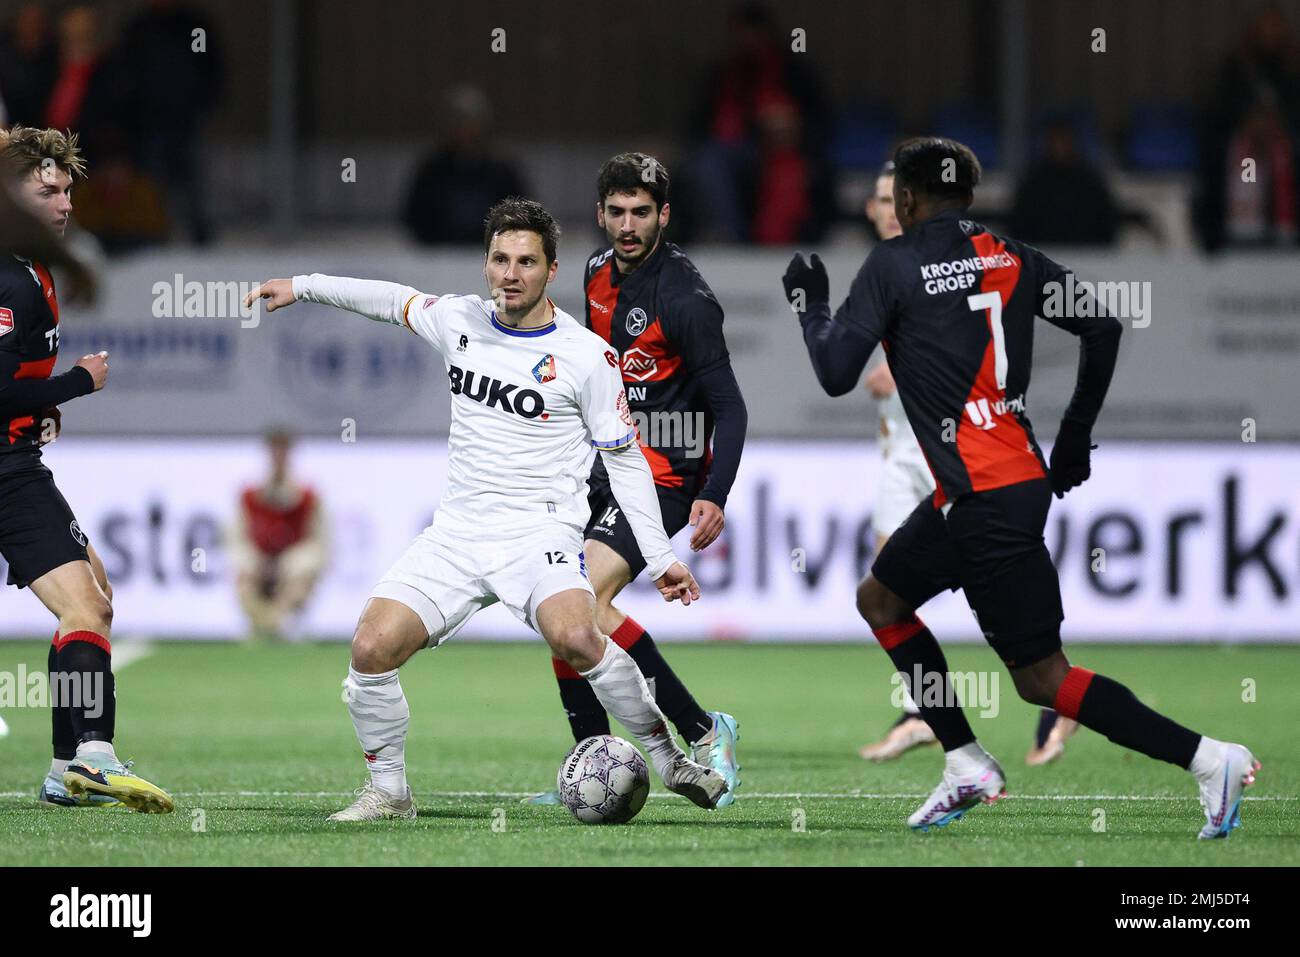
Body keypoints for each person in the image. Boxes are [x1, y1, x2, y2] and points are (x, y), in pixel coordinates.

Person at [782, 137, 1258, 839]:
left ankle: (1208, 757)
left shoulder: (893, 262)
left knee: (1043, 679)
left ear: (906, 200)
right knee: (880, 597)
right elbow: (1102, 327)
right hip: (996, 483)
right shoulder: (1011, 255)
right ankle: (965, 760)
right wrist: (1073, 434)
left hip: (986, 499)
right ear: (969, 197)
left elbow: (833, 370)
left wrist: (809, 305)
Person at [245, 198, 729, 821]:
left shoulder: (587, 358)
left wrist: (660, 557)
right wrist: (301, 287)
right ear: (485, 265)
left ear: (551, 270)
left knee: (579, 635)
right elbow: (389, 299)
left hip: (541, 534)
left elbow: (628, 461)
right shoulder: (459, 320)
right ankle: (389, 791)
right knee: (370, 649)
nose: (510, 273)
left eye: (526, 262)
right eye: (500, 259)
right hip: (457, 534)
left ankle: (668, 759)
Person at [528, 153, 747, 806]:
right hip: (607, 465)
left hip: (666, 477)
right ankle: (592, 759)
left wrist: (715, 492)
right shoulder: (596, 273)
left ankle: (705, 731)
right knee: (562, 609)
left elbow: (730, 407)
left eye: (642, 213)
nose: (628, 225)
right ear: (600, 215)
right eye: (617, 212)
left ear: (664, 216)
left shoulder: (685, 299)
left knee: (586, 596)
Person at [857, 163, 1074, 766]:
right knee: (884, 585)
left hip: (954, 456)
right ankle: (923, 713)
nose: (879, 207)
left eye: (887, 197)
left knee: (921, 591)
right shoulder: (889, 266)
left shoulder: (939, 263)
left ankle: (1055, 695)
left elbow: (959, 356)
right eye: (874, 199)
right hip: (904, 449)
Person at [0, 126, 172, 813]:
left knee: (92, 596)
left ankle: (67, 764)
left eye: (68, 188)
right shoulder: (10, 275)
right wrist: (75, 383)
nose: (65, 202)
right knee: (87, 605)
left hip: (15, 459)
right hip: (6, 472)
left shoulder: (34, 266)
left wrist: (36, 415)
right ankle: (91, 755)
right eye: (47, 190)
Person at [230, 429, 329, 640]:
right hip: (260, 565)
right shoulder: (250, 496)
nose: (278, 456)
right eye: (274, 450)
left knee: (300, 582)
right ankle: (262, 626)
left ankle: (279, 624)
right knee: (243, 583)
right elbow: (237, 540)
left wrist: (288, 564)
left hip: (291, 570)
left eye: (283, 450)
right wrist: (256, 563)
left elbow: (321, 544)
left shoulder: (307, 498)